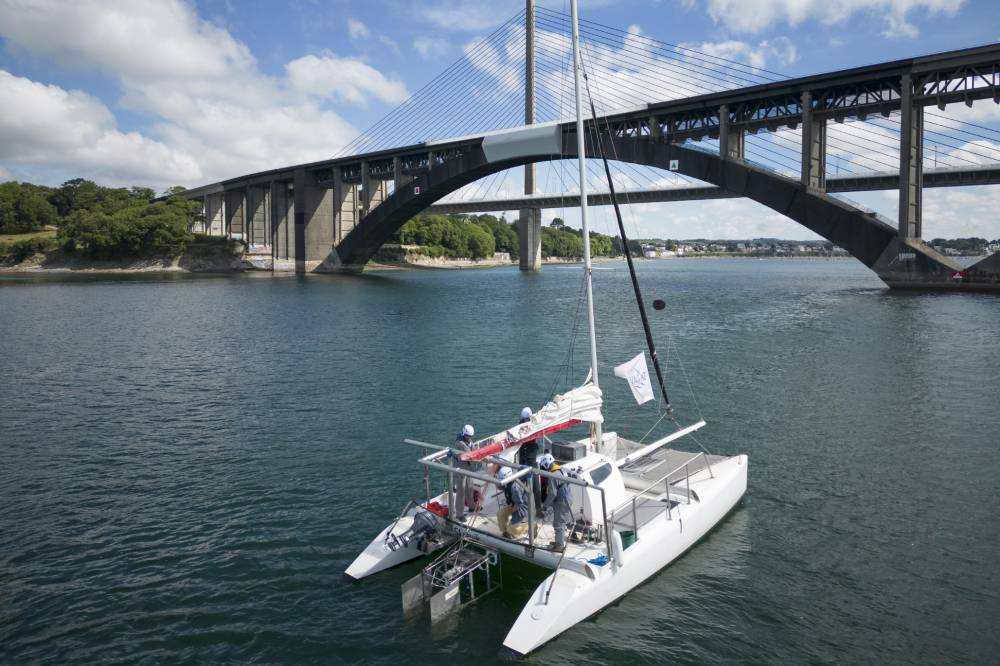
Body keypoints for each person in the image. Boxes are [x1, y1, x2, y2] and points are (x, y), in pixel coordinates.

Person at [540, 453, 574, 551]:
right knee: (559, 522)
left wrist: (545, 506)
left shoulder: (553, 475)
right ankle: (558, 541)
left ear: (546, 465)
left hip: (561, 501)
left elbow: (552, 493)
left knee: (559, 524)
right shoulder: (560, 469)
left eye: (543, 467)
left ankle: (559, 546)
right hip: (567, 498)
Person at [516, 407, 544, 515]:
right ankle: (537, 509)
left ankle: (523, 509)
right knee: (533, 486)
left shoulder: (520, 426)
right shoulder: (531, 425)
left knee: (523, 486)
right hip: (529, 460)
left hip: (524, 460)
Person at [496, 465, 530, 539]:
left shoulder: (515, 488)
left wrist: (513, 517)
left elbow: (519, 503)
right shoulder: (508, 481)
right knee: (500, 514)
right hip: (513, 503)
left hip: (521, 507)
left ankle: (530, 527)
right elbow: (500, 487)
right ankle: (505, 532)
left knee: (513, 528)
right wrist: (496, 480)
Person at [451, 424, 477, 521]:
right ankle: (459, 514)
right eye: (467, 436)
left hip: (467, 468)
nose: (469, 438)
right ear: (463, 434)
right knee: (461, 491)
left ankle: (471, 506)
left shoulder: (468, 441)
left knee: (470, 487)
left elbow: (474, 449)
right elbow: (470, 454)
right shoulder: (460, 443)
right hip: (460, 469)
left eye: (470, 436)